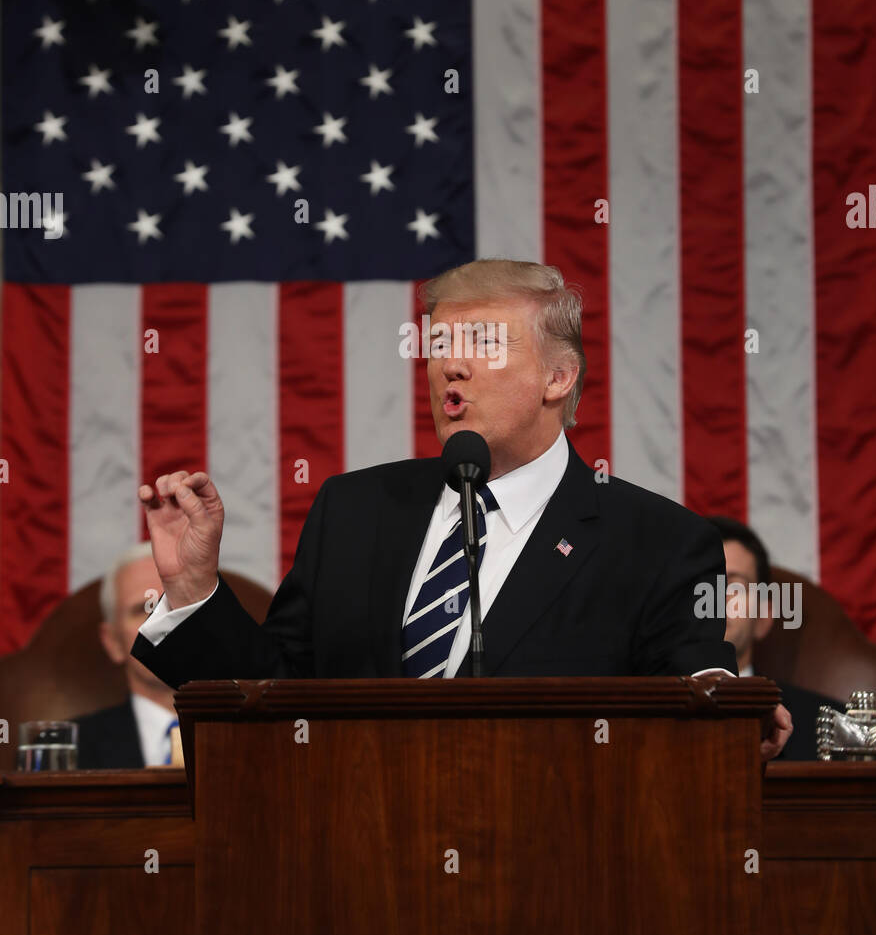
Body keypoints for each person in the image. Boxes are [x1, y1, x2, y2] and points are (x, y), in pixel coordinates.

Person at [131, 259, 791, 759]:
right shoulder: (355, 511)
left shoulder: (656, 541)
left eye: (481, 346)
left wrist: (733, 708)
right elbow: (272, 699)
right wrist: (192, 588)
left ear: (557, 378)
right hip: (350, 872)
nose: (449, 367)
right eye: (439, 346)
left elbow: (693, 679)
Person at [707, 516, 843, 759]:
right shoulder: (634, 717)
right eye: (699, 585)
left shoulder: (829, 729)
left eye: (733, 585)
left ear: (763, 617)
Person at [75, 543, 178, 768]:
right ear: (113, 642)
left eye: (176, 604)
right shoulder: (66, 750)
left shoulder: (262, 737)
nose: (162, 623)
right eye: (143, 609)